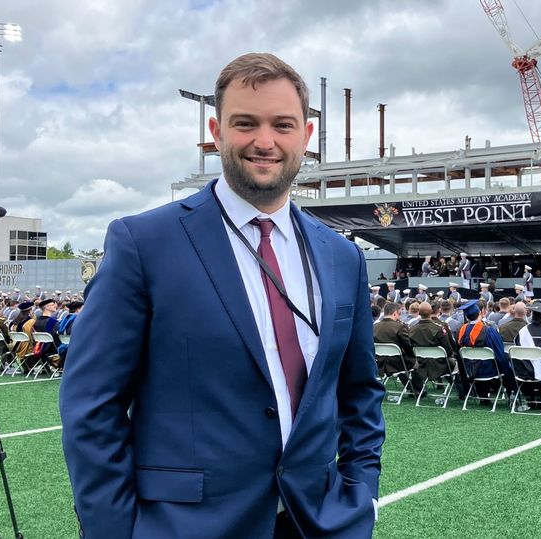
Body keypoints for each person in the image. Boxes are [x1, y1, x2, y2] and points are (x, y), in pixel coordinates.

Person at [60, 53, 385, 539]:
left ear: (306, 137)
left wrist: (362, 494)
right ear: (216, 131)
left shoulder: (342, 255)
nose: (265, 141)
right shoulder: (143, 243)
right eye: (245, 123)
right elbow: (92, 403)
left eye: (283, 124)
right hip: (185, 526)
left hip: (319, 521)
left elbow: (359, 391)